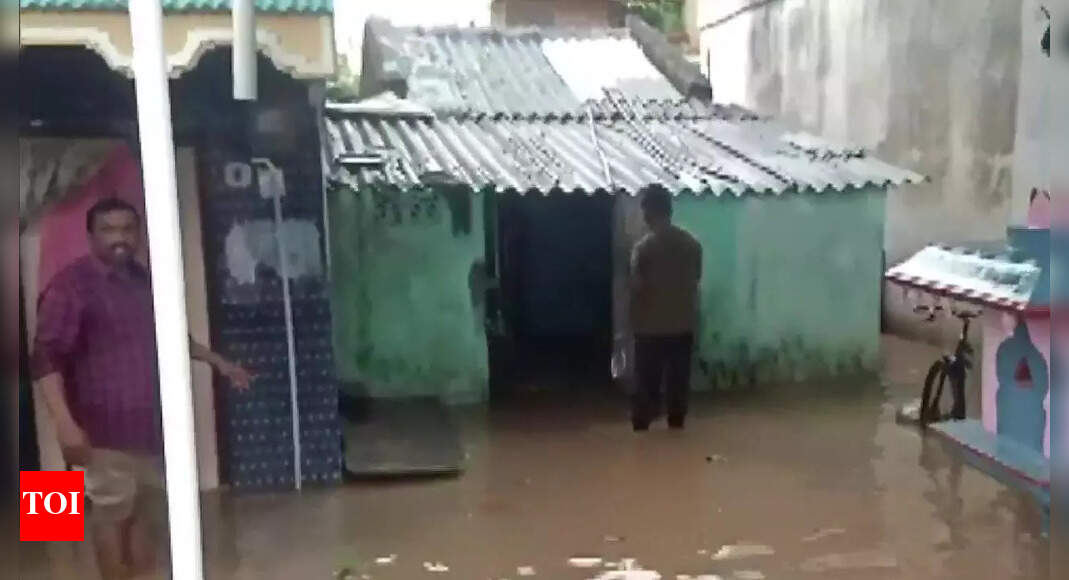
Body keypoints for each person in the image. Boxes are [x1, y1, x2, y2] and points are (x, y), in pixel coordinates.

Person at [32, 197, 252, 579]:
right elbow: (46, 358)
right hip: (103, 431)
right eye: (108, 230)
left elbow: (171, 336)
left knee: (144, 520)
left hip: (152, 430)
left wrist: (219, 362)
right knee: (111, 516)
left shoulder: (144, 281)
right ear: (90, 236)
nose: (120, 238)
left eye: (128, 229)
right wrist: (64, 425)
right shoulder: (71, 286)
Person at [629, 185, 702, 431]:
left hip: (650, 330)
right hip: (683, 326)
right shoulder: (692, 244)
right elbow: (696, 279)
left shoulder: (643, 249)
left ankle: (642, 436)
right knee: (678, 385)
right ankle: (676, 429)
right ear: (669, 210)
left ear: (649, 212)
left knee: (646, 387)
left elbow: (636, 287)